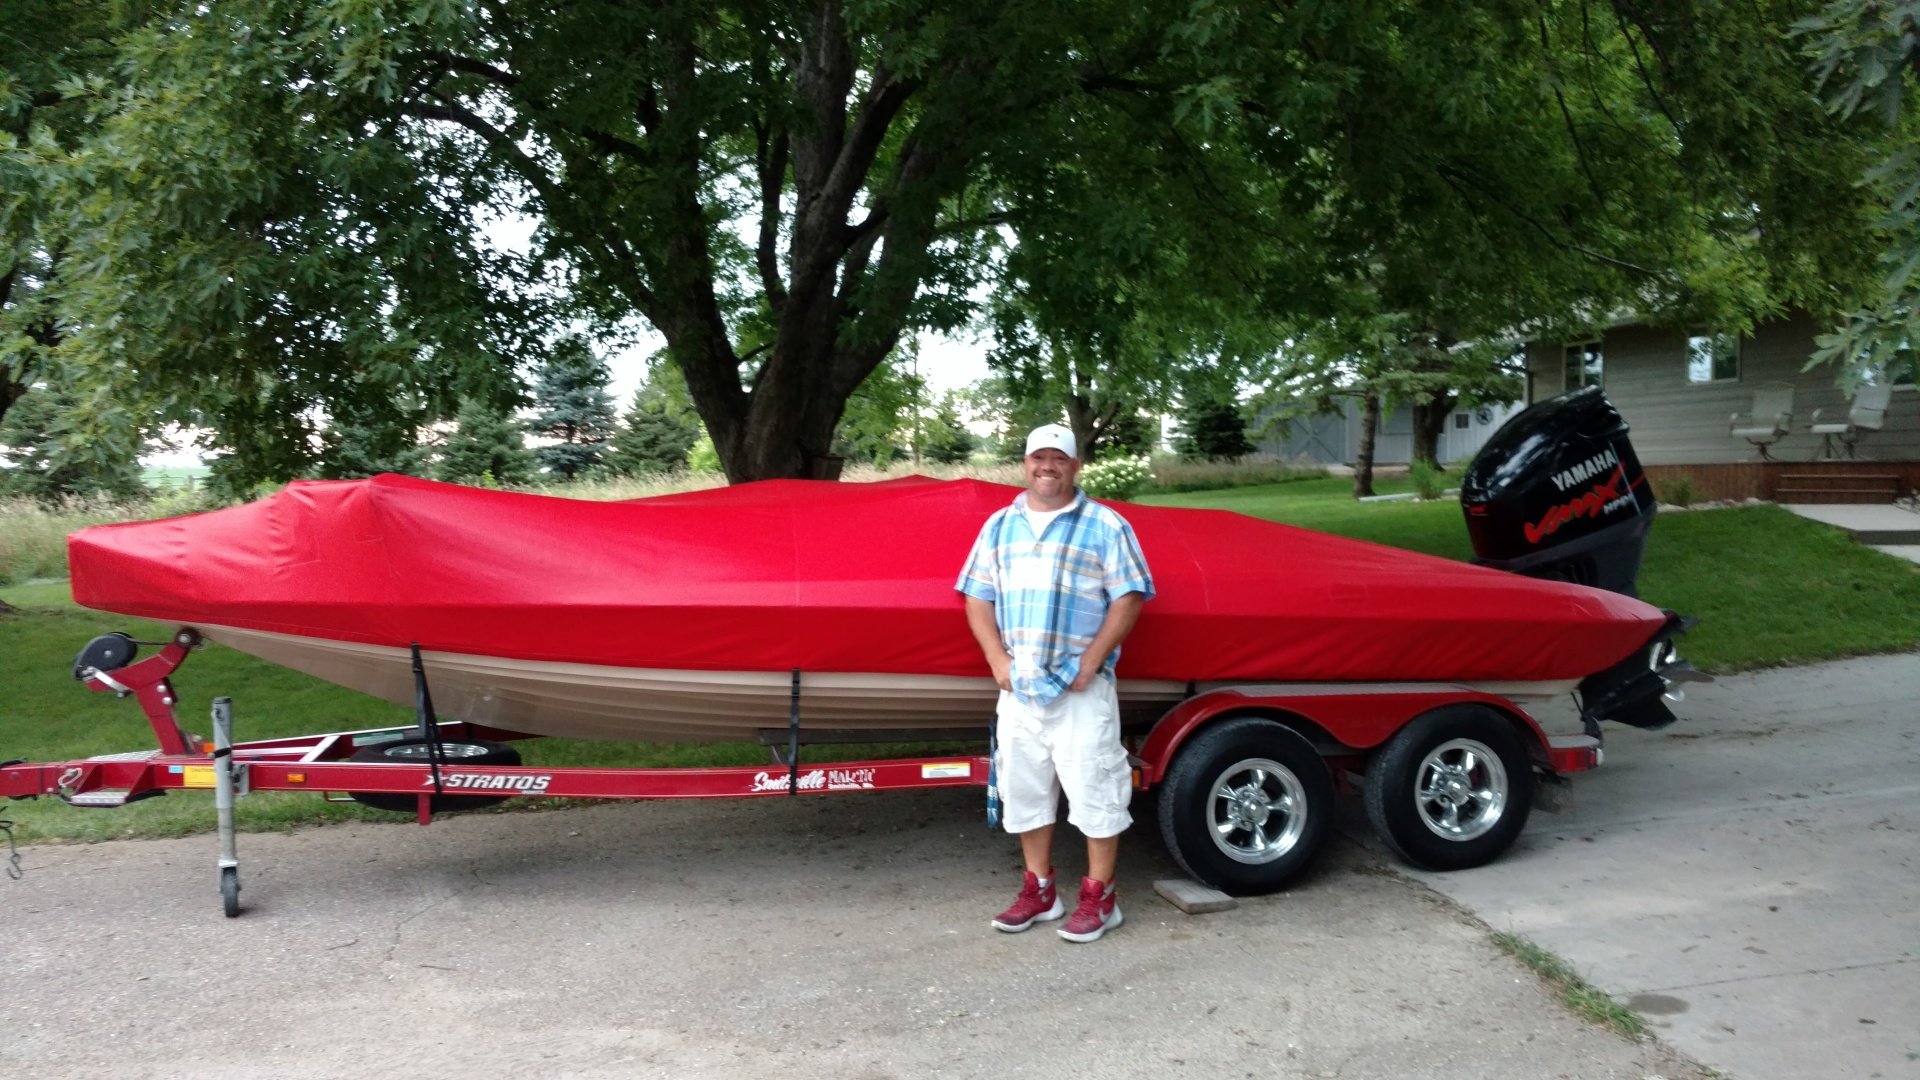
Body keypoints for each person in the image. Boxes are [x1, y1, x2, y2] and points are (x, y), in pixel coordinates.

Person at [955, 423, 1154, 943]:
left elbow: (1129, 596)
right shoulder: (1000, 526)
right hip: (1018, 688)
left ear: (1075, 465)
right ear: (1025, 464)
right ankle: (1040, 891)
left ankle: (1100, 898)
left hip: (1081, 690)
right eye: (1038, 457)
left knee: (1097, 792)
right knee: (1024, 793)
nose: (1048, 466)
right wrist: (996, 659)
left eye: (1058, 458)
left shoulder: (1107, 525)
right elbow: (977, 596)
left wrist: (1093, 659)